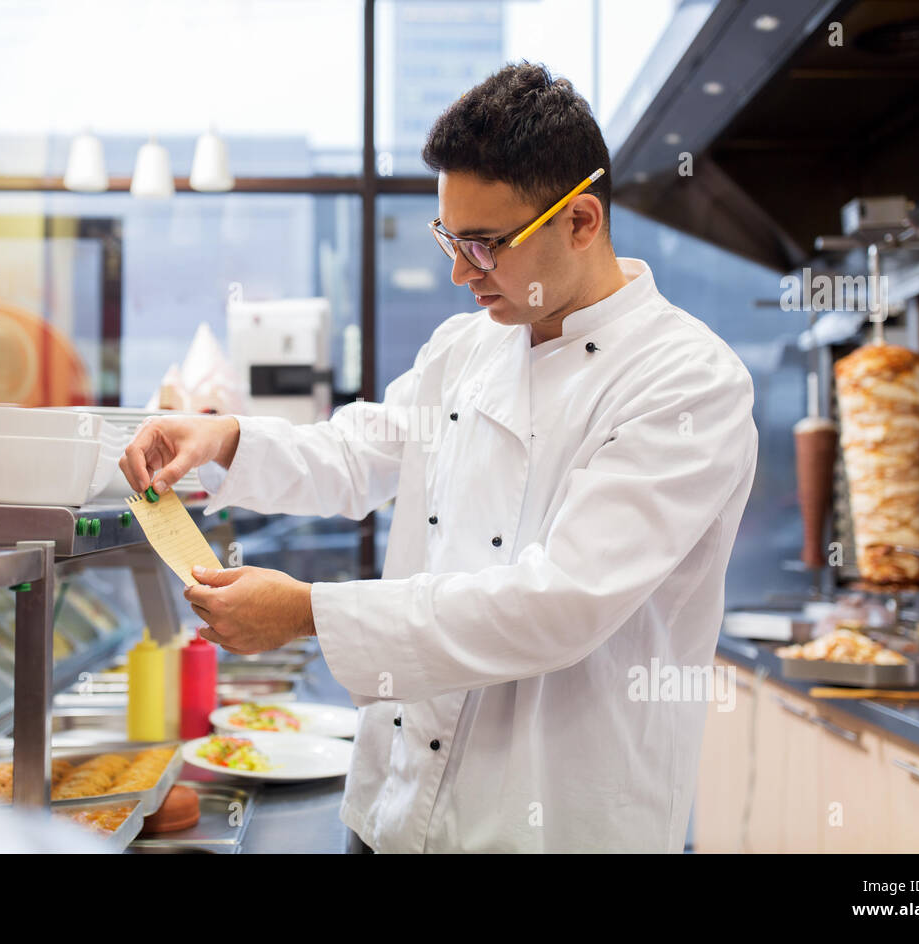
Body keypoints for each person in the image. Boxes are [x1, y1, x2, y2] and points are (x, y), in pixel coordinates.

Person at [120, 62, 758, 853]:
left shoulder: (686, 382)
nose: (460, 273)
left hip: (549, 825)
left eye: (486, 246)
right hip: (391, 810)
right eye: (449, 240)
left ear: (582, 221)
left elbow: (558, 605)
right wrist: (227, 439)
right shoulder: (468, 347)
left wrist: (309, 613)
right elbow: (359, 452)